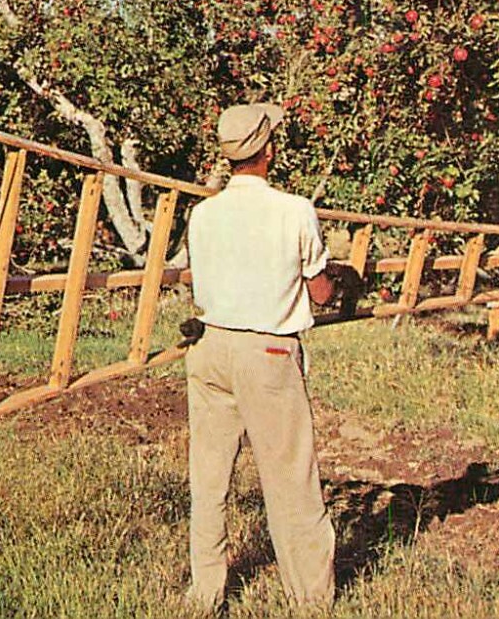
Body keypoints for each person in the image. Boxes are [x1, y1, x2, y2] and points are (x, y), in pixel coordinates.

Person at [183, 101, 338, 613]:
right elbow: (319, 293)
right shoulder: (294, 210)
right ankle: (311, 598)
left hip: (208, 348)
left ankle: (205, 593)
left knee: (208, 476)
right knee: (290, 477)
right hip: (267, 351)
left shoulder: (201, 214)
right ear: (269, 150)